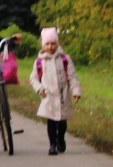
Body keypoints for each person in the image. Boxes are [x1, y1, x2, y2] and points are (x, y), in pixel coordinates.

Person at [29, 27, 82, 156]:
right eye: (47, 44)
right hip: (48, 96)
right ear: (43, 45)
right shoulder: (39, 62)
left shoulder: (64, 59)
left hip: (63, 95)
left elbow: (72, 76)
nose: (50, 46)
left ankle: (61, 139)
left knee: (62, 122)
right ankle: (52, 145)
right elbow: (33, 78)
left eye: (53, 43)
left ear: (57, 43)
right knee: (51, 122)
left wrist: (76, 91)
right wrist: (39, 88)